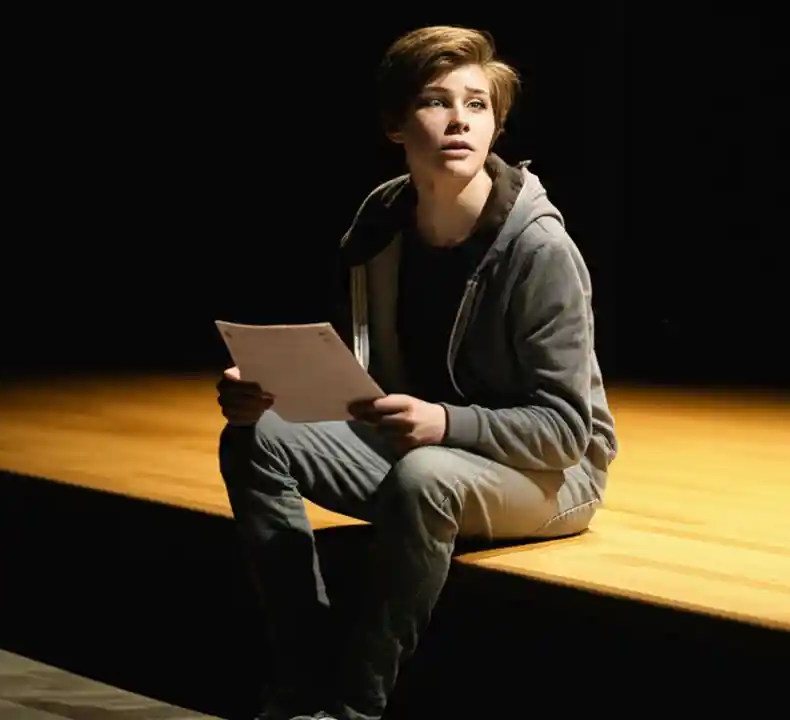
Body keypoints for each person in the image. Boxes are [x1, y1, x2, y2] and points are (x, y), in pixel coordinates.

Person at [216, 25, 619, 720]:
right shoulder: (381, 218)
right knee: (257, 438)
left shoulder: (539, 249)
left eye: (478, 104)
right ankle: (302, 674)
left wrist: (443, 423)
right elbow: (353, 375)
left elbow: (564, 434)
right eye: (436, 102)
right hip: (420, 452)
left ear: (497, 125)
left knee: (425, 475)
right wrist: (268, 389)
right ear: (396, 125)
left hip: (551, 477)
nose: (460, 120)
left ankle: (351, 707)